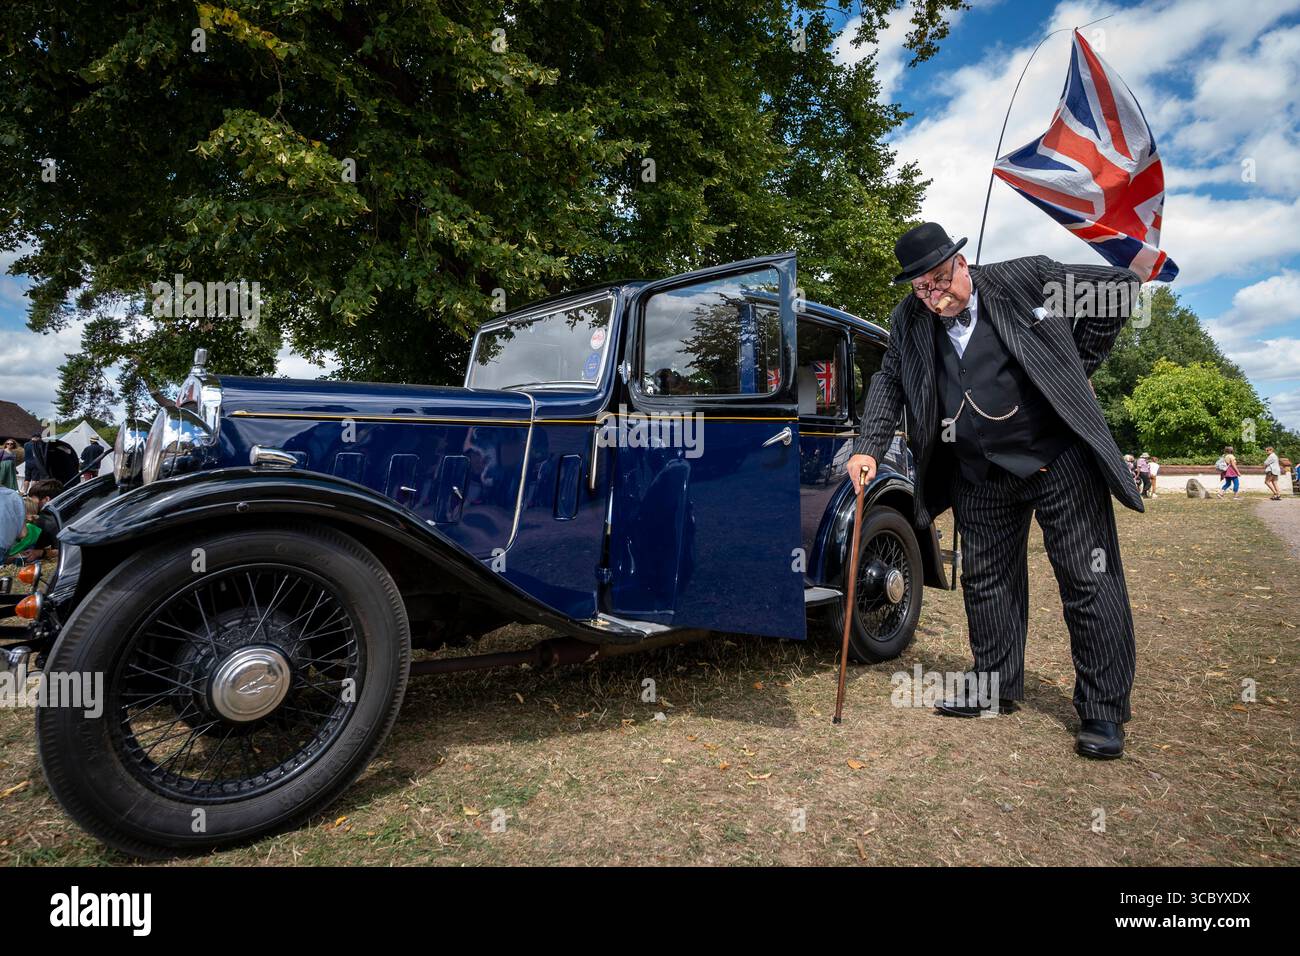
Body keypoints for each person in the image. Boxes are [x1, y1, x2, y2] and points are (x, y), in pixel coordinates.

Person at [846, 221, 1142, 759]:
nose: (934, 297)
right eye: (921, 288)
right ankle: (996, 686)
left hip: (1057, 460)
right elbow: (890, 379)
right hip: (976, 471)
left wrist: (1073, 365)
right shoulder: (910, 319)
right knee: (986, 582)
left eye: (940, 281)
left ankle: (1102, 711)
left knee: (1086, 578)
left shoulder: (1025, 278)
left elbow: (1118, 290)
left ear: (962, 263)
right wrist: (867, 444)